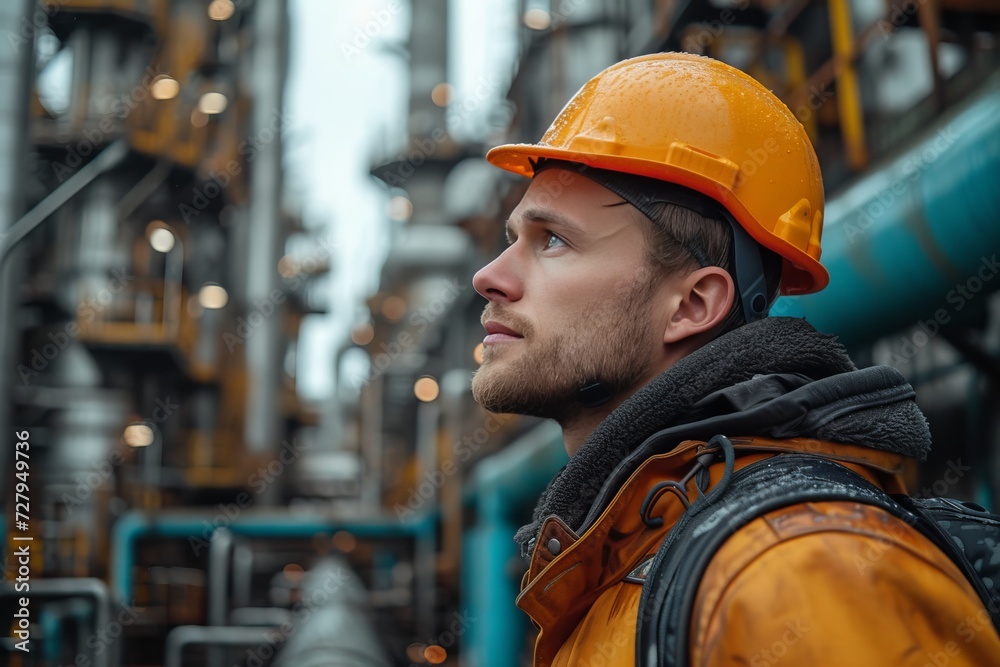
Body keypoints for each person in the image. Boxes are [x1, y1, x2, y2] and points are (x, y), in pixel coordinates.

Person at [469, 53, 1000, 666]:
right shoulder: (625, 561)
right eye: (512, 240)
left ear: (693, 304)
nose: (489, 277)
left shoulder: (800, 570)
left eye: (553, 240)